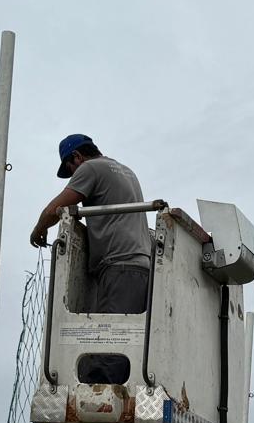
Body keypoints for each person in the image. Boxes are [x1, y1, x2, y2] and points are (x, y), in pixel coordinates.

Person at [29, 134, 163, 315]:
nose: (73, 177)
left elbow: (53, 210)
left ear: (77, 156)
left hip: (120, 267)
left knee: (113, 339)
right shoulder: (127, 171)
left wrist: (39, 229)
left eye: (71, 171)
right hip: (142, 267)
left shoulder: (90, 168)